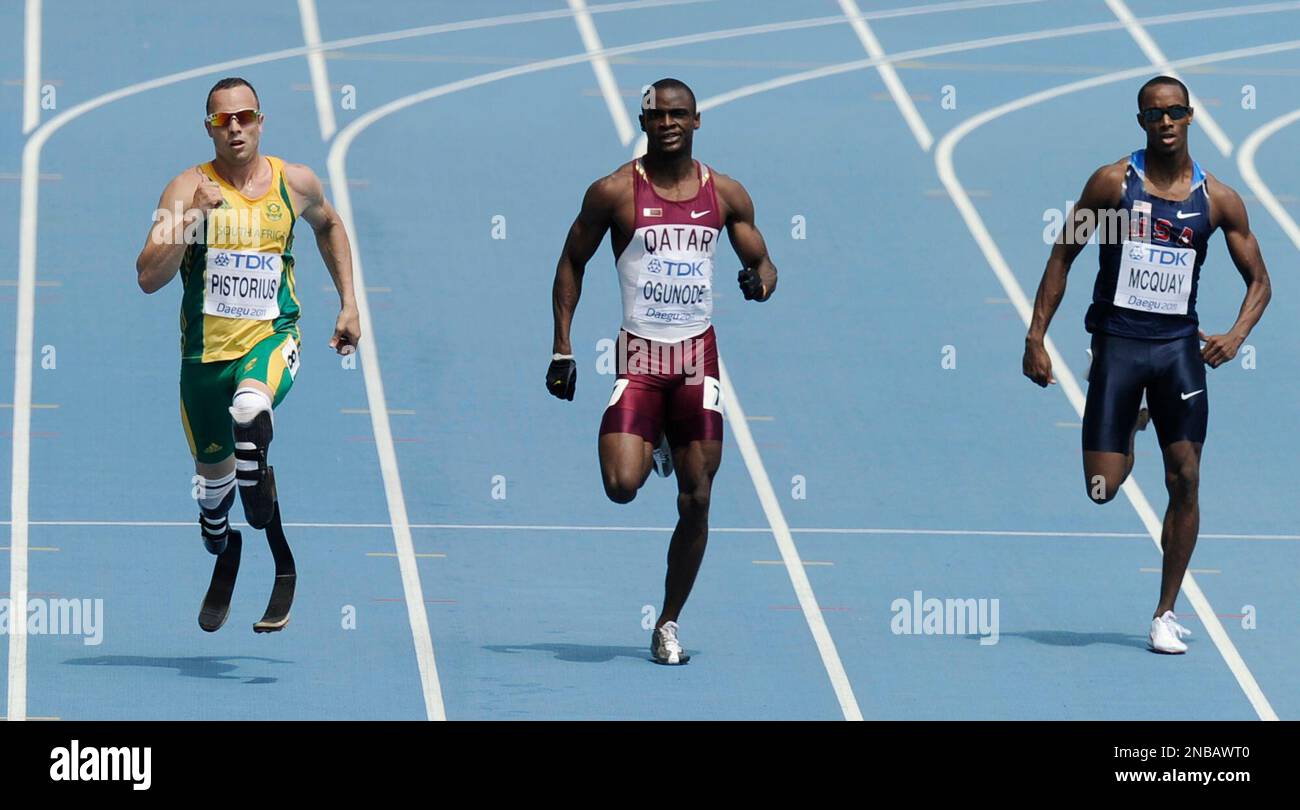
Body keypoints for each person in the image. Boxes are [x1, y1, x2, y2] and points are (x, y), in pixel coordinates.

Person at [1022, 75, 1271, 654]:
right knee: (1102, 489)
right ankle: (1132, 422)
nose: (1165, 123)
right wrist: (1036, 336)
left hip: (1178, 350)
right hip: (1118, 344)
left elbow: (1260, 281)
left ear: (1190, 117)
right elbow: (1064, 253)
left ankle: (1164, 611)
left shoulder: (1217, 201)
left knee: (1185, 477)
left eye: (1175, 112)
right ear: (1141, 121)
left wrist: (1236, 335)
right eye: (1154, 114)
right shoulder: (1114, 185)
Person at [547, 78, 779, 664]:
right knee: (621, 486)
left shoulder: (725, 194)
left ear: (697, 121)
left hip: (698, 361)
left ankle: (668, 622)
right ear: (643, 122)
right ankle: (655, 444)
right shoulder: (613, 193)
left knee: (697, 498)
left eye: (679, 114)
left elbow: (763, 260)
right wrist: (563, 348)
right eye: (658, 115)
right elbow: (572, 260)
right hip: (642, 357)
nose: (669, 123)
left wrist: (761, 282)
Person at [136, 77, 361, 632]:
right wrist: (190, 217)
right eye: (222, 120)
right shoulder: (185, 187)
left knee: (249, 409)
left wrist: (349, 303)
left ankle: (273, 534)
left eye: (245, 116)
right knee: (213, 507)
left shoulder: (296, 182)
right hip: (203, 362)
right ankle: (227, 544)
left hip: (271, 339)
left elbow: (329, 224)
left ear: (261, 120)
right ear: (208, 128)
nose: (234, 127)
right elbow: (148, 276)